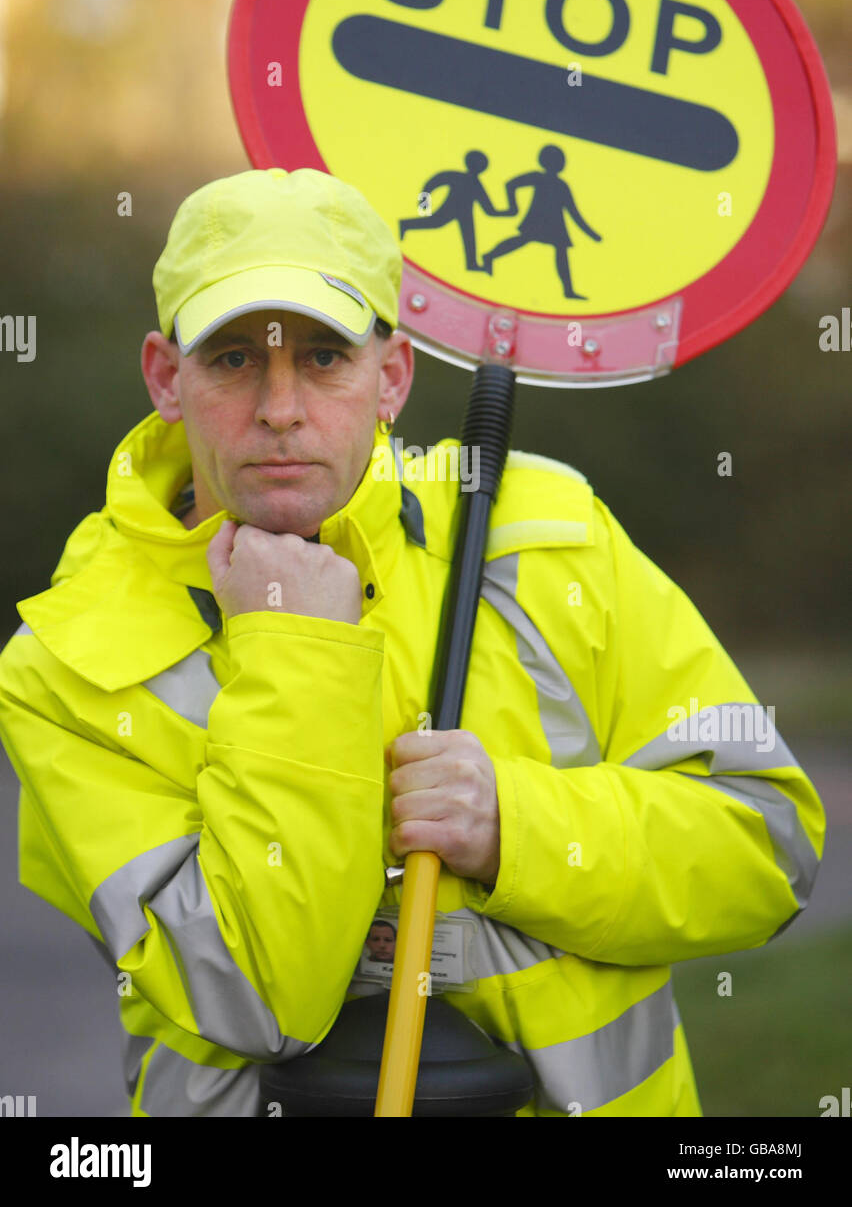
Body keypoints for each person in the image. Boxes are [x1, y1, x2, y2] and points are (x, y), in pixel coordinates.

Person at [0, 167, 825, 1118]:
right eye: (231, 359)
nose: (279, 409)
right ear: (162, 376)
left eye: (323, 359)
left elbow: (768, 845)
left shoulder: (546, 533)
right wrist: (293, 649)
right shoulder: (67, 661)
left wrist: (514, 825)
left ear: (391, 376)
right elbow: (257, 996)